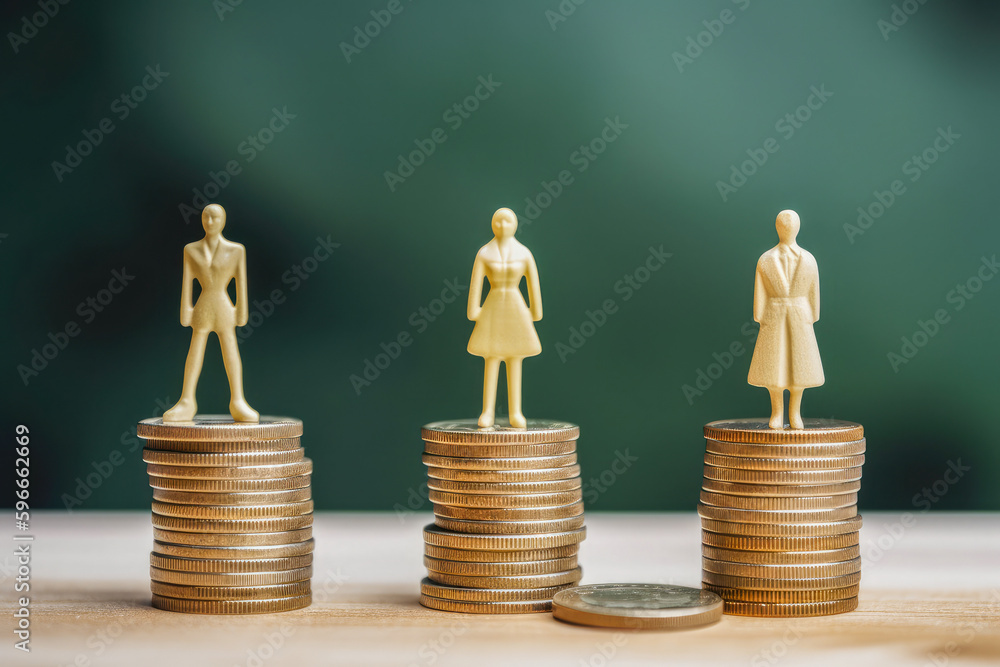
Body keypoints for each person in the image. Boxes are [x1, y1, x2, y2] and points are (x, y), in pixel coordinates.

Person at [163, 204, 258, 423]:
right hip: (203, 305)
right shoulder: (191, 250)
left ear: (223, 221)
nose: (210, 222)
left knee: (231, 351)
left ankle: (238, 400)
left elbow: (240, 284)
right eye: (206, 217)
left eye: (215, 218)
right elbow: (187, 283)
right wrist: (185, 312)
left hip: (224, 305)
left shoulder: (236, 251)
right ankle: (187, 400)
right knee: (195, 351)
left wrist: (241, 312)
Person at [747, 210, 824, 429]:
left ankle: (795, 413)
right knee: (774, 367)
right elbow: (759, 292)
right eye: (784, 224)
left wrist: (812, 316)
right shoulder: (765, 259)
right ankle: (777, 413)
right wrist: (761, 317)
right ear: (777, 228)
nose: (787, 228)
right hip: (774, 313)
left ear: (797, 228)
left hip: (800, 314)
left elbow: (814, 293)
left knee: (800, 369)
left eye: (790, 225)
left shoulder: (809, 260)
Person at [467, 208, 542, 428]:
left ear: (515, 224)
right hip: (492, 307)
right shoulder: (484, 253)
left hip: (515, 308)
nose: (502, 226)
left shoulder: (524, 253)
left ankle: (515, 412)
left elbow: (533, 285)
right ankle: (487, 412)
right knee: (491, 357)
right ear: (492, 224)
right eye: (498, 222)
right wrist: (474, 311)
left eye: (507, 222)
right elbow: (476, 284)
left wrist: (535, 312)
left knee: (514, 359)